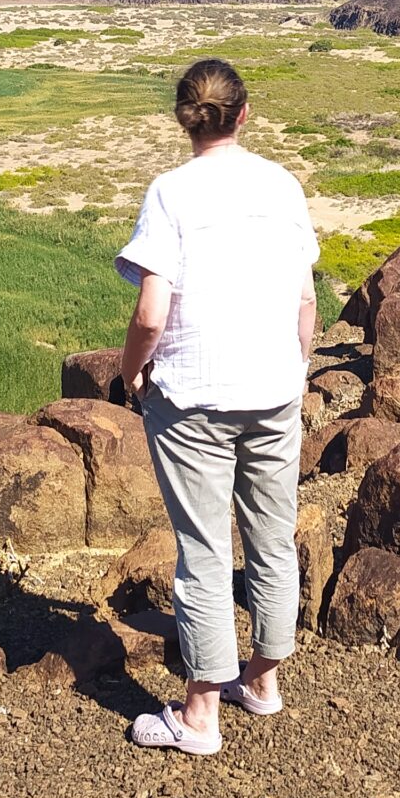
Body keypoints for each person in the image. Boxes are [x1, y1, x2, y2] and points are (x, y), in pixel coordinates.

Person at [114, 57, 319, 755]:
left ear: (183, 117)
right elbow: (304, 300)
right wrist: (295, 368)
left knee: (203, 552)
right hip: (275, 390)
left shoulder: (171, 193)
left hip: (195, 394)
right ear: (244, 113)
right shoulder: (283, 185)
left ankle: (200, 718)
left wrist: (129, 374)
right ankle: (261, 681)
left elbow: (149, 314)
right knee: (271, 537)